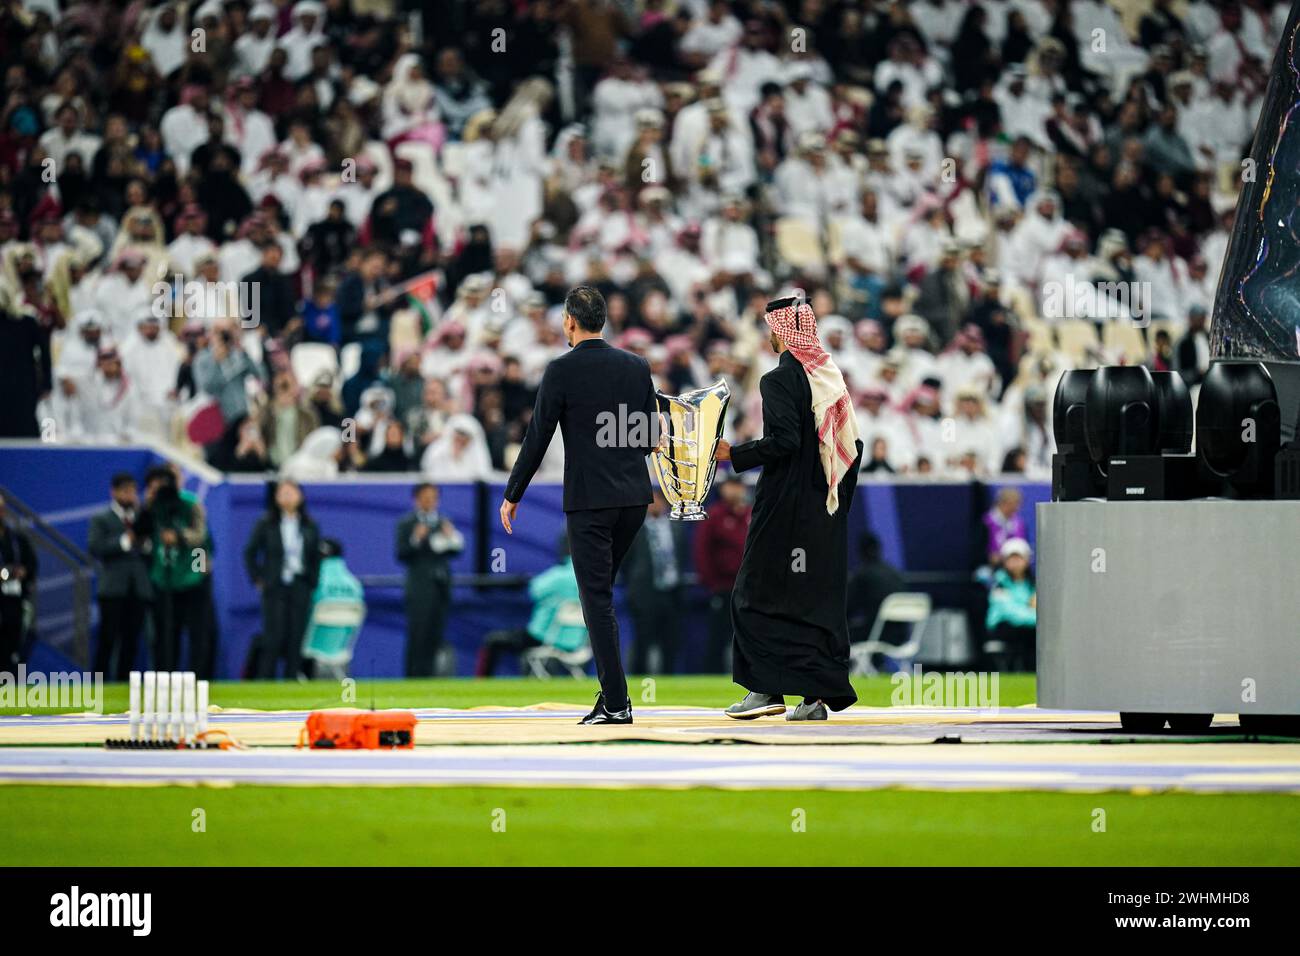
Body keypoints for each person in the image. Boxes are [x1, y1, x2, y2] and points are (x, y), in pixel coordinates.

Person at [500, 285, 659, 725]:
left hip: (590, 502)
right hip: (633, 501)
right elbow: (649, 437)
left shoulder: (560, 370)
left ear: (570, 320)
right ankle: (610, 695)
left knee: (595, 599)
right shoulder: (637, 366)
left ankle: (616, 702)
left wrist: (513, 493)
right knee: (599, 597)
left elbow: (538, 437)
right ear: (603, 319)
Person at [716, 296, 863, 720]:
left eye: (772, 329)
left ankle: (764, 689)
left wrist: (734, 453)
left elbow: (785, 442)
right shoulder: (829, 379)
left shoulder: (778, 380)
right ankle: (814, 697)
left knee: (751, 594)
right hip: (825, 512)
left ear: (781, 332)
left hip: (785, 508)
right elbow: (852, 449)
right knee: (812, 600)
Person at [242, 479, 322, 679]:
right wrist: (258, 578)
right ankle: (267, 680)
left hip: (300, 584)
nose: (287, 496)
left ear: (301, 496)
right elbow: (250, 552)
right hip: (275, 585)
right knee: (273, 637)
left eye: (291, 492)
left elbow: (316, 555)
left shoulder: (309, 525)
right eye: (283, 492)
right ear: (276, 497)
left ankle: (292, 678)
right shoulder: (265, 523)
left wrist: (312, 581)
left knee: (296, 635)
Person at [477, 535, 588, 676]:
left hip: (543, 638)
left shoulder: (558, 575)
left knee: (493, 641)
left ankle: (482, 682)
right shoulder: (590, 574)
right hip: (578, 644)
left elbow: (534, 590)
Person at [140, 465, 212, 675]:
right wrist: (148, 504)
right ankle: (165, 679)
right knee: (164, 634)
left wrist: (198, 573)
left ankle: (198, 679)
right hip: (163, 578)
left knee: (198, 632)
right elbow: (140, 534)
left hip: (192, 577)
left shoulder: (190, 502)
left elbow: (203, 541)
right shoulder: (152, 506)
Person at [87, 473, 153, 679]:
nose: (130, 495)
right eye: (125, 490)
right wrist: (126, 540)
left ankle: (123, 685)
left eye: (133, 491)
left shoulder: (142, 517)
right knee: (108, 639)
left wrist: (144, 544)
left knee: (131, 641)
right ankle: (99, 684)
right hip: (113, 588)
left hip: (138, 587)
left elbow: (152, 547)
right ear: (114, 492)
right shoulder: (102, 518)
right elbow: (95, 546)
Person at [395, 483, 464, 677]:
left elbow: (456, 550)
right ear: (416, 499)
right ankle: (413, 676)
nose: (429, 501)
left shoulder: (443, 522)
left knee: (436, 634)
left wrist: (450, 537)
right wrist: (416, 539)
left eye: (433, 497)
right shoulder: (406, 523)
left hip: (441, 586)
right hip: (419, 588)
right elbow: (401, 554)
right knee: (418, 634)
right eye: (425, 497)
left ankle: (431, 675)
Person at [621, 490, 686, 674]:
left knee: (671, 641)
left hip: (671, 591)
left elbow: (681, 556)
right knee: (643, 640)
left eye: (657, 500)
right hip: (644, 592)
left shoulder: (675, 527)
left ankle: (669, 679)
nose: (654, 504)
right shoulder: (635, 528)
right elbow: (626, 561)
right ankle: (637, 679)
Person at [984, 537, 1037, 672]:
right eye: (1011, 559)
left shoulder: (1033, 584)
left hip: (1028, 628)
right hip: (1003, 628)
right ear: (1004, 561)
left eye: (1019, 558)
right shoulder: (998, 583)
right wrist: (1035, 616)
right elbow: (1011, 613)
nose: (1015, 563)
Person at [0, 494, 37, 674]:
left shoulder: (16, 538)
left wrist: (23, 572)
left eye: (2, 508)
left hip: (14, 600)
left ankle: (11, 684)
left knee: (15, 646)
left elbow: (32, 564)